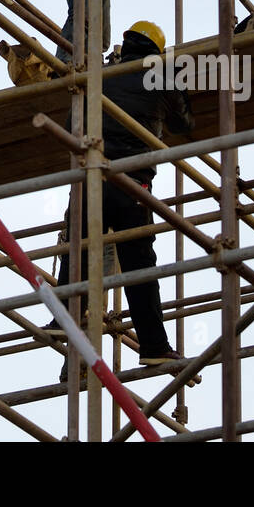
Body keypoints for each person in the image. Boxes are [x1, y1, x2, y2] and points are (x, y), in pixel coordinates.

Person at [56, 22, 190, 368]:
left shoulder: (99, 74)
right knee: (139, 267)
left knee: (79, 249)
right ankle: (154, 346)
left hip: (90, 177)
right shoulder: (160, 75)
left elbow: (72, 119)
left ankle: (62, 321)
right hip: (131, 184)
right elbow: (183, 124)